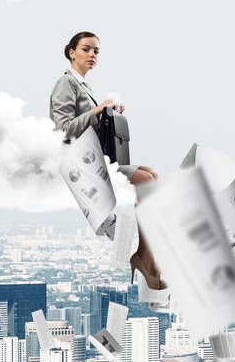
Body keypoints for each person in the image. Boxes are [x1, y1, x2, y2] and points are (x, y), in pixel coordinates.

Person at [50, 31, 166, 290]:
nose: (92, 55)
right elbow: (62, 128)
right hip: (82, 164)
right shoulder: (65, 83)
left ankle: (144, 256)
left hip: (98, 158)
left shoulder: (82, 85)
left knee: (152, 176)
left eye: (96, 51)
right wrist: (98, 109)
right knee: (146, 181)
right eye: (86, 49)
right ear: (72, 53)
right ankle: (145, 259)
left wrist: (108, 112)